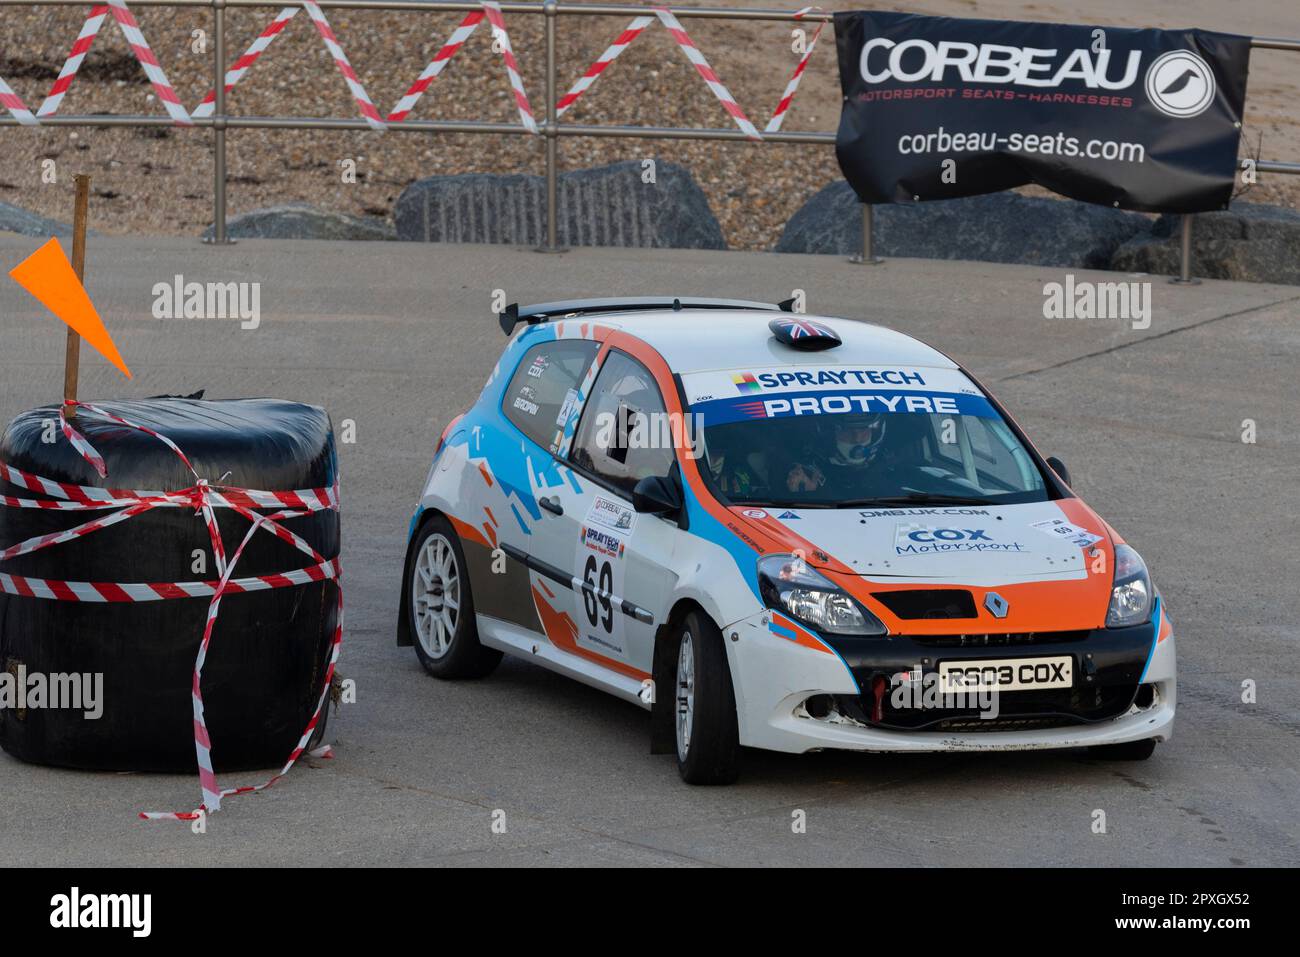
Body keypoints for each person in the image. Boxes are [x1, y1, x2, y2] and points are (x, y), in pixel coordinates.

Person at [783, 413, 895, 496]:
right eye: (847, 430)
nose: (857, 439)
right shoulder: (807, 470)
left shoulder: (894, 466)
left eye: (863, 428)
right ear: (829, 434)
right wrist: (807, 493)